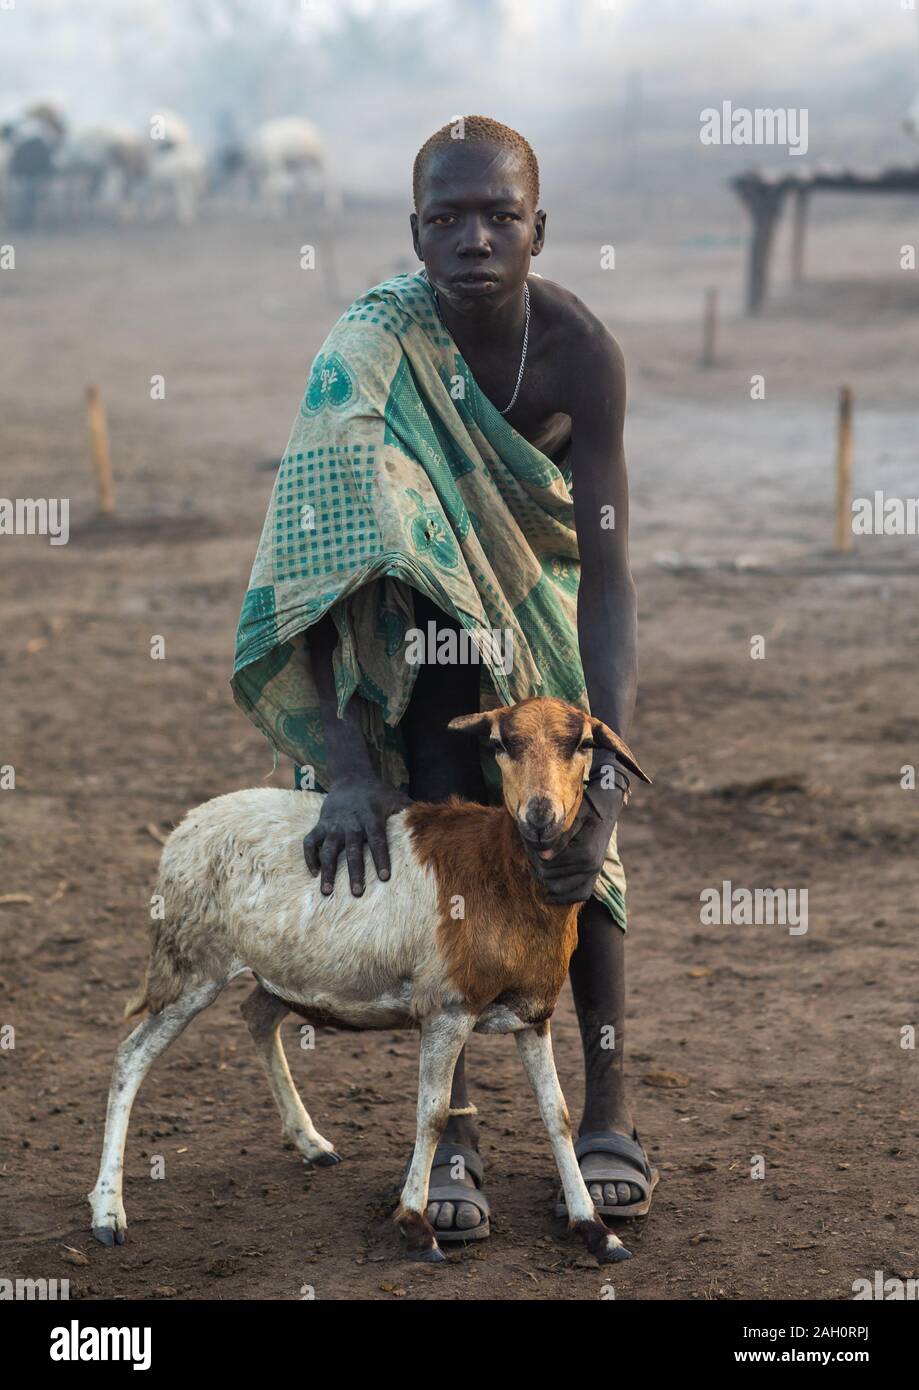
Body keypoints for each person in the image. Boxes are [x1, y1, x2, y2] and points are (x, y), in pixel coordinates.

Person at [232, 115, 656, 1244]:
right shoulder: (369, 349)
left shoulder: (578, 354)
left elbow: (608, 574)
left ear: (537, 230)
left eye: (498, 217)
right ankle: (455, 1127)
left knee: (572, 848)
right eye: (448, 218)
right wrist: (336, 762)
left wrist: (605, 766)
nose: (475, 238)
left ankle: (609, 1107)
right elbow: (309, 551)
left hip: (538, 615)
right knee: (444, 843)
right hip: (418, 641)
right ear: (415, 233)